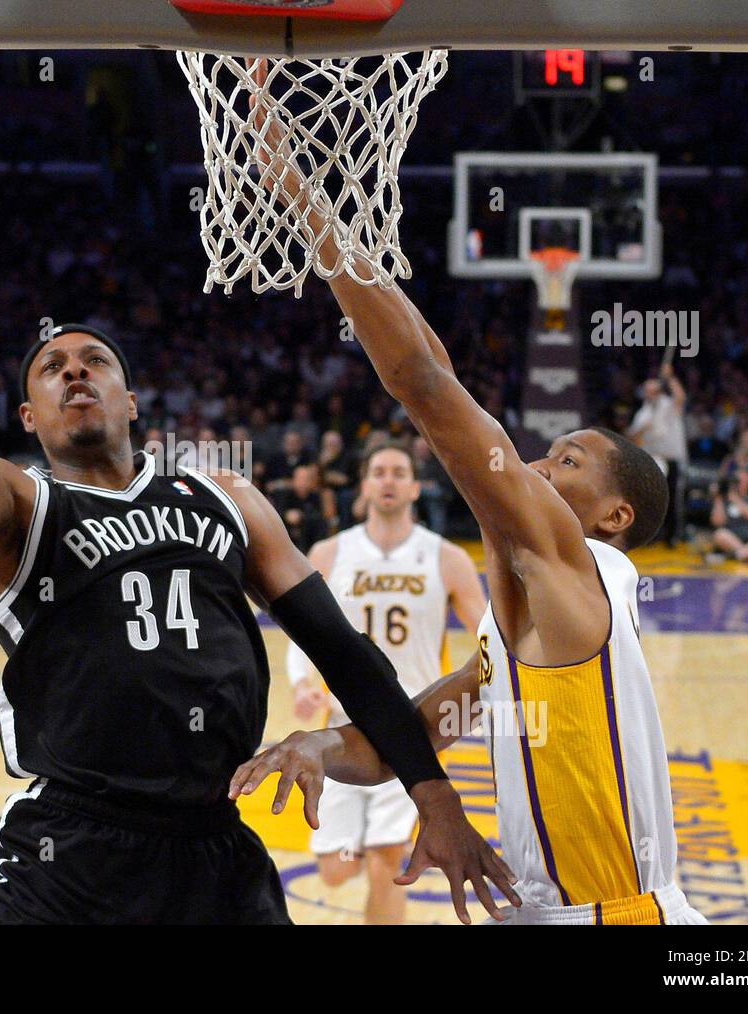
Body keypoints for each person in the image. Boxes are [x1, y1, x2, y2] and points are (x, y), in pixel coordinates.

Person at [0, 186, 516, 926]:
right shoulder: (14, 506)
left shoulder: (229, 499)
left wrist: (433, 795)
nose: (74, 374)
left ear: (132, 400)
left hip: (215, 846)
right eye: (52, 370)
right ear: (30, 415)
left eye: (94, 362)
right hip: (72, 853)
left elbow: (344, 653)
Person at [231, 92, 704, 925]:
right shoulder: (529, 626)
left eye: (568, 460)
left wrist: (301, 196)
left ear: (613, 516)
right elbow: (398, 743)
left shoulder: (575, 566)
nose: (533, 462)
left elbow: (423, 385)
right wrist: (316, 745)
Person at [287, 442, 486, 924]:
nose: (389, 480)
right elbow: (301, 631)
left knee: (386, 864)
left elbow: (488, 638)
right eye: (379, 471)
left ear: (416, 487)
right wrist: (300, 683)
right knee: (335, 870)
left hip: (410, 728)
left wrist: (465, 706)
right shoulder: (330, 553)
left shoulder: (446, 558)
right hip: (340, 729)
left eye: (399, 472)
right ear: (365, 484)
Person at [628, 363, 687, 546]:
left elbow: (680, 397)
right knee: (653, 499)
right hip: (652, 460)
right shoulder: (643, 413)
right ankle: (653, 535)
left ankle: (672, 536)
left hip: (671, 458)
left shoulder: (667, 406)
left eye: (653, 390)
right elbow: (632, 437)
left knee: (673, 499)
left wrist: (670, 378)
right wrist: (642, 430)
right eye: (647, 391)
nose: (650, 394)